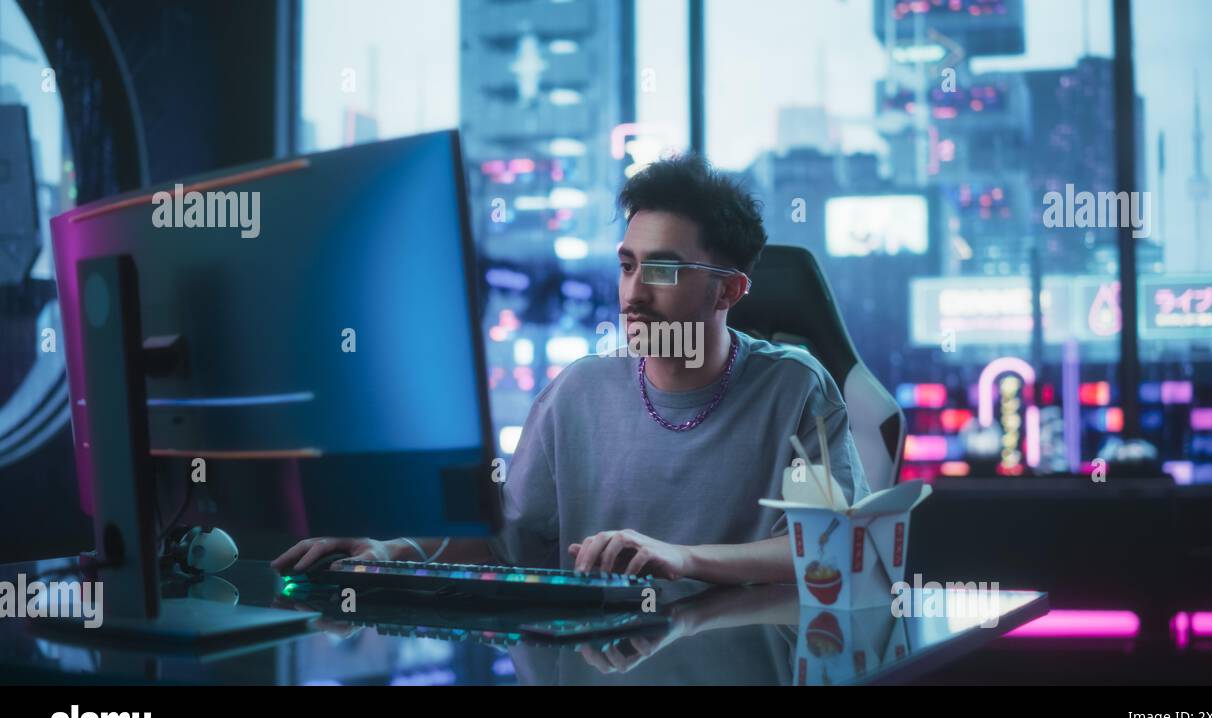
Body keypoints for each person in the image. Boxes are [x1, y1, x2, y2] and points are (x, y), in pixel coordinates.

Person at [272, 154, 868, 584]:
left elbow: (837, 548)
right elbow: (508, 540)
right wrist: (391, 550)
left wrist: (682, 557)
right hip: (600, 661)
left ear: (727, 292)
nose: (633, 294)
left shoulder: (794, 385)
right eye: (627, 266)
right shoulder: (579, 392)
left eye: (661, 271)